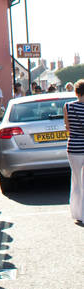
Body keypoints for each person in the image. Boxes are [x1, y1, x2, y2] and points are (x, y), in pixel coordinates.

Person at [63, 80, 84, 224]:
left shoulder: (68, 106)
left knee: (76, 180)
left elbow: (68, 127)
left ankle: (77, 213)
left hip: (74, 147)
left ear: (76, 92)